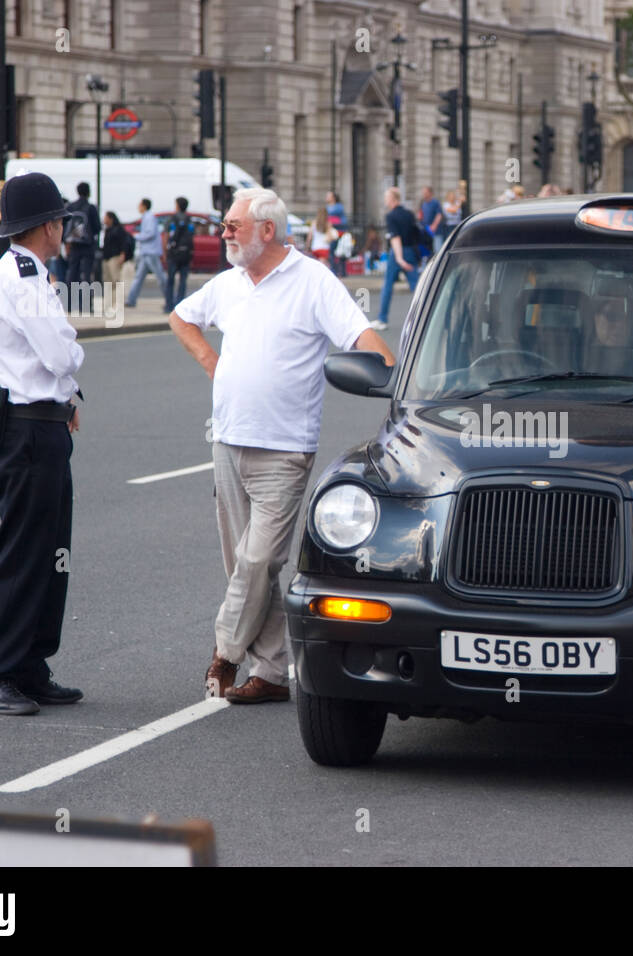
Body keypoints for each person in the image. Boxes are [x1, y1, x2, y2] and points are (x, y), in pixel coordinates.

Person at [167, 187, 396, 704]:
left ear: (266, 230)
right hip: (227, 440)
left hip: (284, 449)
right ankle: (271, 673)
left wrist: (402, 388)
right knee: (246, 565)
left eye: (233, 226)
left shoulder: (313, 281)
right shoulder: (228, 284)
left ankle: (225, 651)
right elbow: (181, 317)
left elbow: (360, 337)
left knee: (256, 561)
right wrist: (211, 362)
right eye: (224, 225)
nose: (224, 234)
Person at [0, 172, 85, 715]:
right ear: (46, 225)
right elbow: (62, 354)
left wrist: (63, 397)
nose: (64, 228)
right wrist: (62, 377)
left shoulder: (15, 273)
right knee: (24, 553)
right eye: (60, 219)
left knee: (50, 551)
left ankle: (30, 664)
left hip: (37, 419)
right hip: (27, 427)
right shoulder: (23, 279)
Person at [374, 186, 422, 332]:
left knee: (388, 285)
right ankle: (425, 318)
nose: (385, 200)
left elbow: (395, 238)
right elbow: (416, 234)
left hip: (398, 252)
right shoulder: (409, 214)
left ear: (392, 199)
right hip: (411, 250)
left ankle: (382, 319)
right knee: (418, 287)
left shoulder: (391, 216)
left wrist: (400, 259)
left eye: (386, 198)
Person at [124, 198, 169, 311]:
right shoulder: (147, 217)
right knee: (139, 277)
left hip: (151, 252)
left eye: (139, 205)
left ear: (144, 206)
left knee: (160, 277)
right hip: (146, 252)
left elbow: (150, 233)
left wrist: (136, 237)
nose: (138, 207)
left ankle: (169, 300)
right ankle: (131, 300)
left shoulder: (149, 217)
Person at [63, 181, 101, 300]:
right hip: (87, 246)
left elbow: (64, 225)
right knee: (87, 275)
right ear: (88, 192)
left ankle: (69, 302)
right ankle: (85, 303)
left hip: (73, 244)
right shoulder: (91, 208)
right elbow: (97, 228)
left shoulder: (70, 207)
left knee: (72, 273)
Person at [163, 196, 194, 310]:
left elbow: (166, 236)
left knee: (170, 280)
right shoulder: (189, 220)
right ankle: (180, 304)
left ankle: (168, 305)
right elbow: (191, 237)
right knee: (183, 281)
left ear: (177, 206)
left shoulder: (171, 219)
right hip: (185, 253)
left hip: (173, 253)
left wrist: (165, 253)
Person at [100, 211, 130, 287]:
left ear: (111, 219)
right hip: (106, 257)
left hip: (115, 257)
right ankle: (109, 298)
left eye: (105, 218)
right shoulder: (107, 230)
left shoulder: (119, 229)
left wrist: (122, 254)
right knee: (107, 281)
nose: (104, 220)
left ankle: (118, 298)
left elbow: (124, 242)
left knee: (116, 279)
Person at [418, 186, 443, 256]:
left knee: (437, 250)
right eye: (423, 193)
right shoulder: (423, 203)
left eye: (425, 192)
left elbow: (439, 215)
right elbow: (421, 215)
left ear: (430, 193)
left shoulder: (435, 202)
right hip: (426, 231)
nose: (424, 194)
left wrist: (434, 225)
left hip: (436, 231)